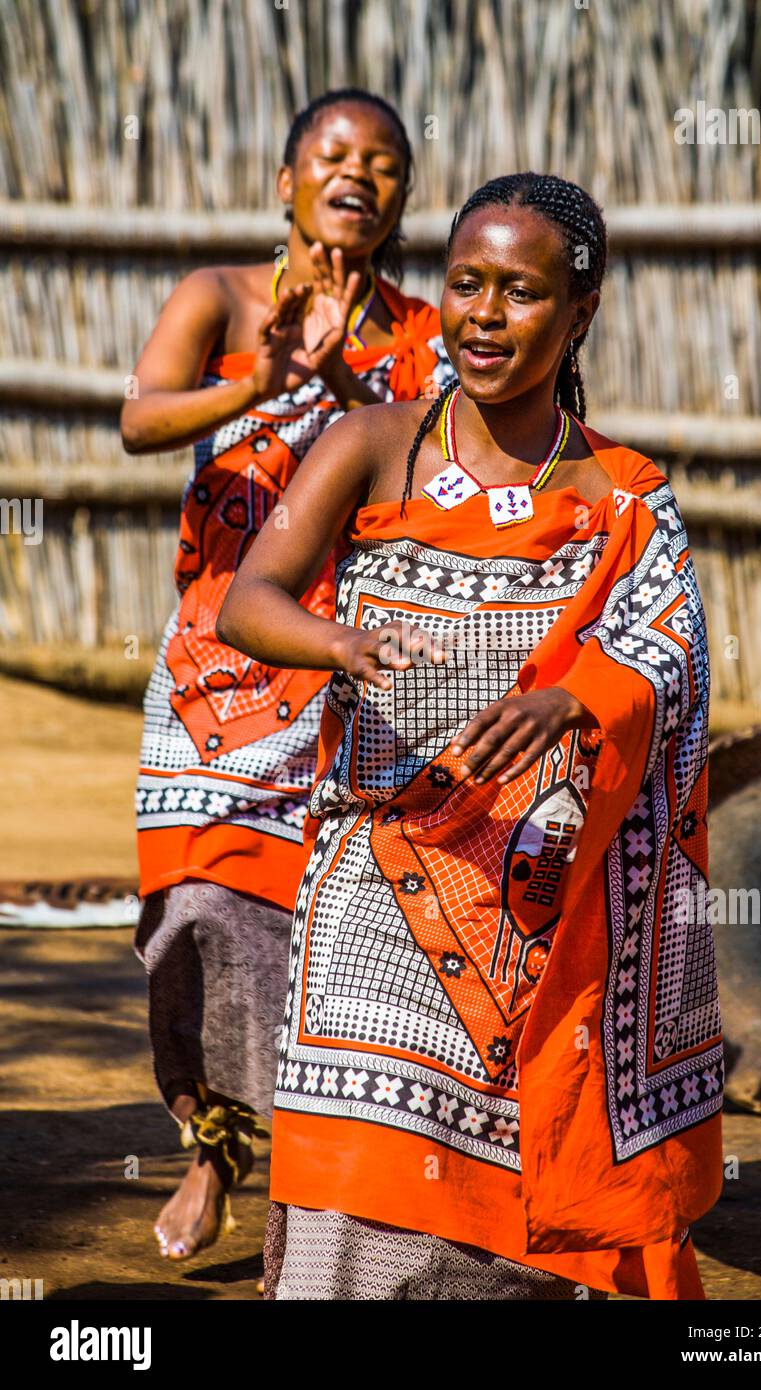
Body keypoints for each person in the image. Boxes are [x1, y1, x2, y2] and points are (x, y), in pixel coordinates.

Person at [217, 172, 723, 1301]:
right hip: (375, 876)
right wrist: (337, 642)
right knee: (362, 1176)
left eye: (522, 292)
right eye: (464, 283)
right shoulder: (371, 443)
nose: (485, 314)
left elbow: (671, 643)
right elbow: (251, 597)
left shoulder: (622, 491)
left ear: (579, 312)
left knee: (530, 1194)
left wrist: (575, 698)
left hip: (541, 900)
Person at [120, 88, 453, 1262]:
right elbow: (139, 419)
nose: (356, 173)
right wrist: (253, 385)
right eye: (332, 155)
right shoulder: (221, 298)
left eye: (383, 163)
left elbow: (431, 467)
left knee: (314, 936)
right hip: (213, 670)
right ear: (286, 182)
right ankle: (207, 1135)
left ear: (400, 197)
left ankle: (286, 1187)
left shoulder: (421, 334)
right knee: (192, 916)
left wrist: (355, 392)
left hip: (342, 670)